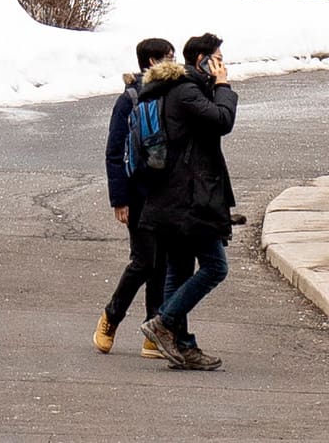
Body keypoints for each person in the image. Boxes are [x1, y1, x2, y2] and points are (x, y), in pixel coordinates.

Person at [133, 30, 240, 369]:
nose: (223, 66)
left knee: (178, 271)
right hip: (189, 199)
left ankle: (181, 345)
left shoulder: (178, 88)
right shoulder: (186, 91)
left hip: (173, 197)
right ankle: (163, 322)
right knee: (214, 267)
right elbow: (222, 121)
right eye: (218, 60)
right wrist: (223, 86)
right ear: (201, 60)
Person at [96, 37, 175, 353]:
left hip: (167, 193)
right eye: (169, 57)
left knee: (163, 263)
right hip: (139, 192)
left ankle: (151, 332)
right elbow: (114, 153)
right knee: (144, 261)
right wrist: (120, 199)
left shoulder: (174, 95)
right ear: (153, 62)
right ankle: (111, 318)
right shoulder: (129, 99)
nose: (174, 62)